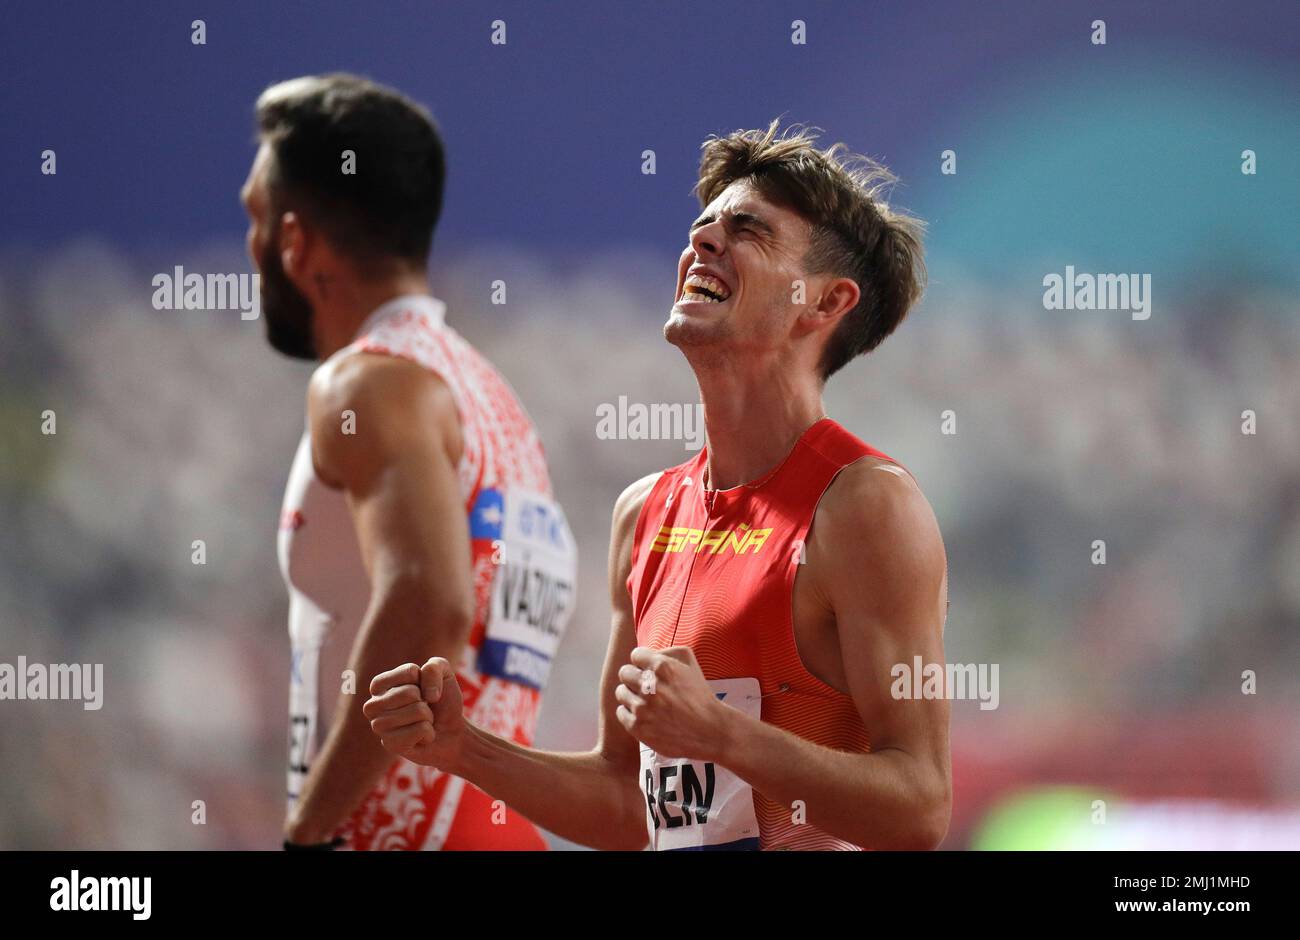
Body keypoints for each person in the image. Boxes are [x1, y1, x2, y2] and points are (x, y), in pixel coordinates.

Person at [365, 121, 950, 850]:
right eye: (702, 226)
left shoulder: (866, 506)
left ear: (825, 304)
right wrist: (462, 749)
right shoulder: (643, 514)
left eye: (749, 231)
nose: (703, 243)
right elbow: (623, 802)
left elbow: (921, 807)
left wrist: (723, 736)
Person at [243, 73, 576, 850]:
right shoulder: (492, 401)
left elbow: (432, 601)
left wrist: (309, 831)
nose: (252, 247)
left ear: (296, 243)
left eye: (258, 221)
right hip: (500, 831)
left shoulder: (365, 384)